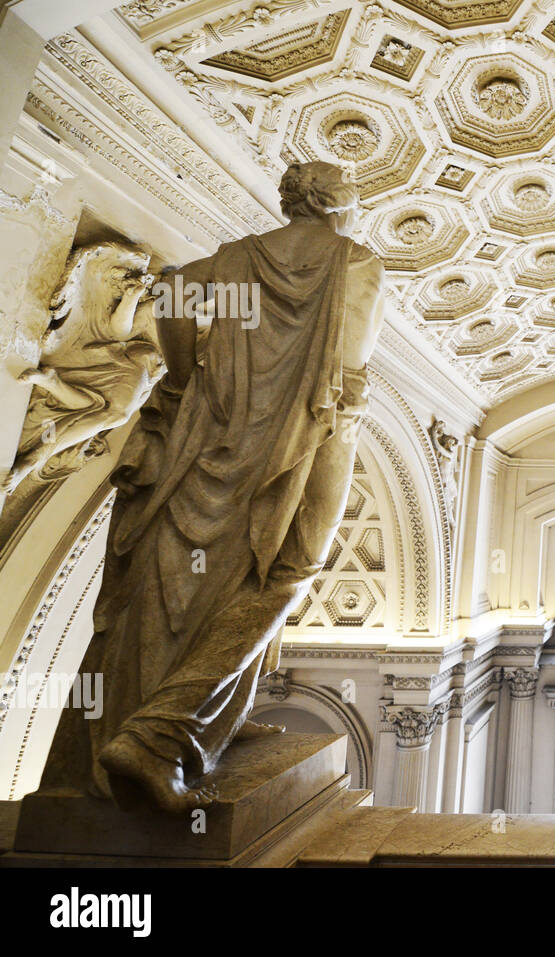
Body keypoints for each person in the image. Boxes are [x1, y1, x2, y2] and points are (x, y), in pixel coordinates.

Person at [40, 161, 385, 812]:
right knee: (285, 568)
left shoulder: (236, 259)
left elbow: (170, 294)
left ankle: (213, 714)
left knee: (208, 574)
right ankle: (160, 731)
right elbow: (349, 370)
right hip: (303, 436)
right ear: (340, 208)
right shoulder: (357, 261)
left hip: (209, 435)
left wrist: (180, 378)